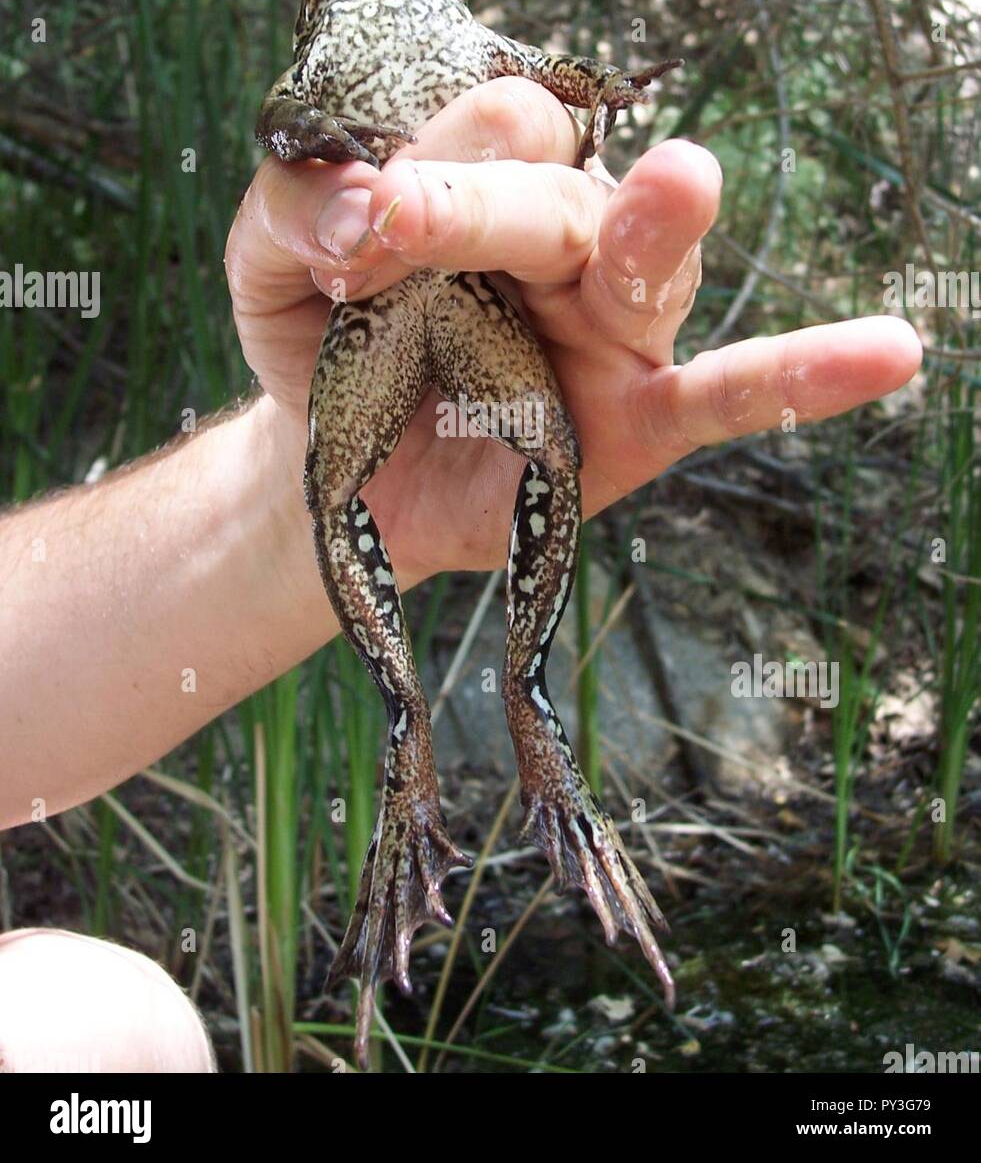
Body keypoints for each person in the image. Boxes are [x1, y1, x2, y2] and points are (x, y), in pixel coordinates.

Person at [0, 78, 922, 1071]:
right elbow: (291, 114)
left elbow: (327, 113)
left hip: (421, 334)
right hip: (401, 318)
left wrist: (288, 483)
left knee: (115, 1027)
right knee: (113, 1024)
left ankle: (522, 734)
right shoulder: (344, 81)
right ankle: (453, 755)